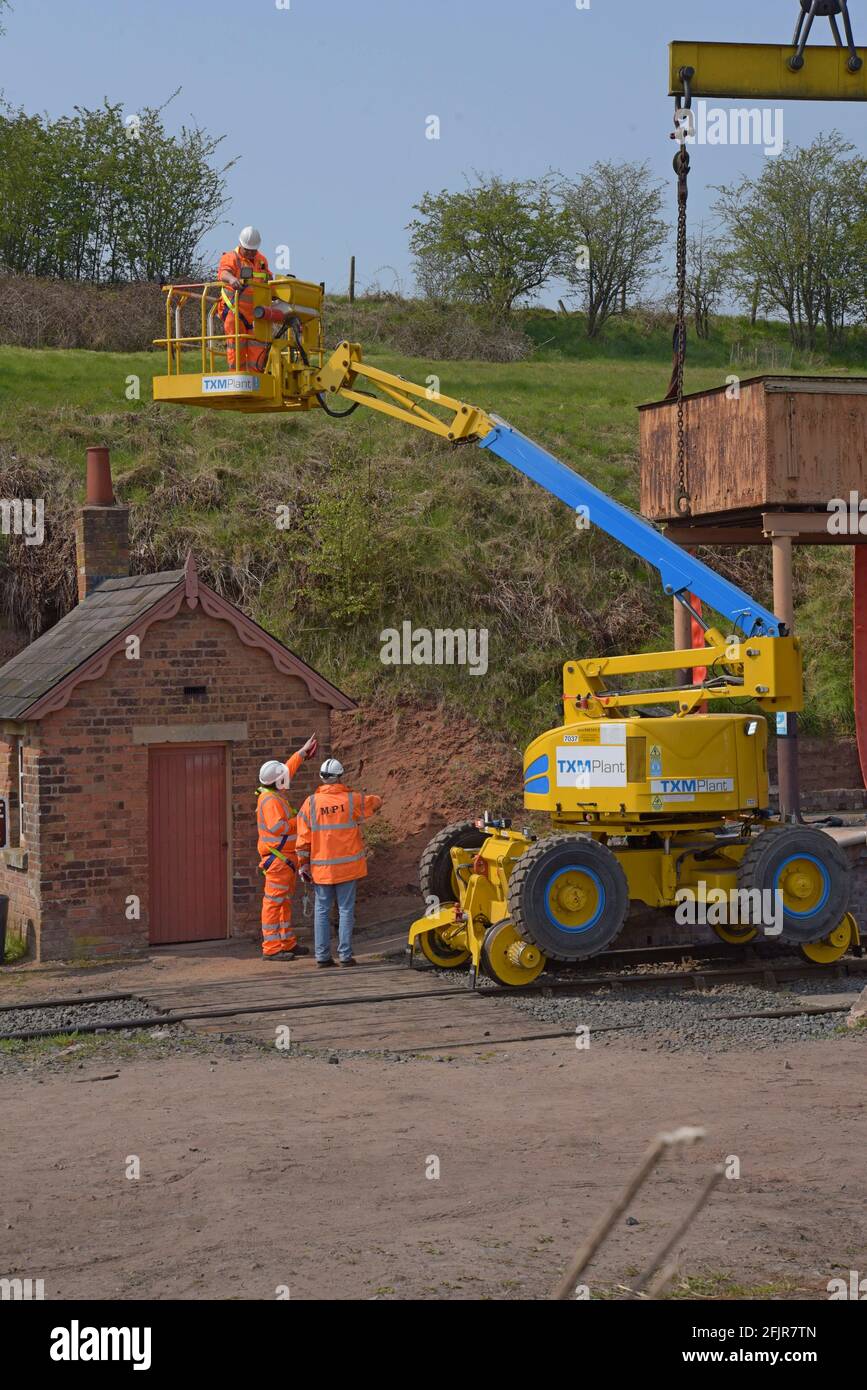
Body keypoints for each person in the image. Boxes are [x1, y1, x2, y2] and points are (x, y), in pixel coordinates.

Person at [296, 759, 382, 968]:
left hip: (322, 868)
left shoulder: (310, 803)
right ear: (340, 776)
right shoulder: (351, 800)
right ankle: (345, 955)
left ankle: (322, 957)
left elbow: (303, 839)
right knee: (345, 910)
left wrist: (303, 864)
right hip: (347, 868)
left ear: (321, 778)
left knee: (322, 911)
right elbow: (375, 802)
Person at [256, 735, 318, 961]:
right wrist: (301, 818)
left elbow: (286, 772)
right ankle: (272, 948)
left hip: (284, 860)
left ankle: (286, 943)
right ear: (276, 781)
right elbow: (278, 827)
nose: (286, 777)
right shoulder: (270, 801)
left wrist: (301, 753)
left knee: (283, 903)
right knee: (274, 903)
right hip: (279, 860)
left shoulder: (270, 793)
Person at [216, 226, 272, 371]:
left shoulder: (262, 260)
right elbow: (223, 273)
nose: (251, 253)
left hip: (256, 314)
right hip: (235, 312)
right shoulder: (231, 257)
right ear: (241, 245)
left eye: (253, 250)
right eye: (248, 250)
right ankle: (236, 379)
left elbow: (269, 278)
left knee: (258, 350)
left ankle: (256, 381)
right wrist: (232, 279)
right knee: (236, 348)